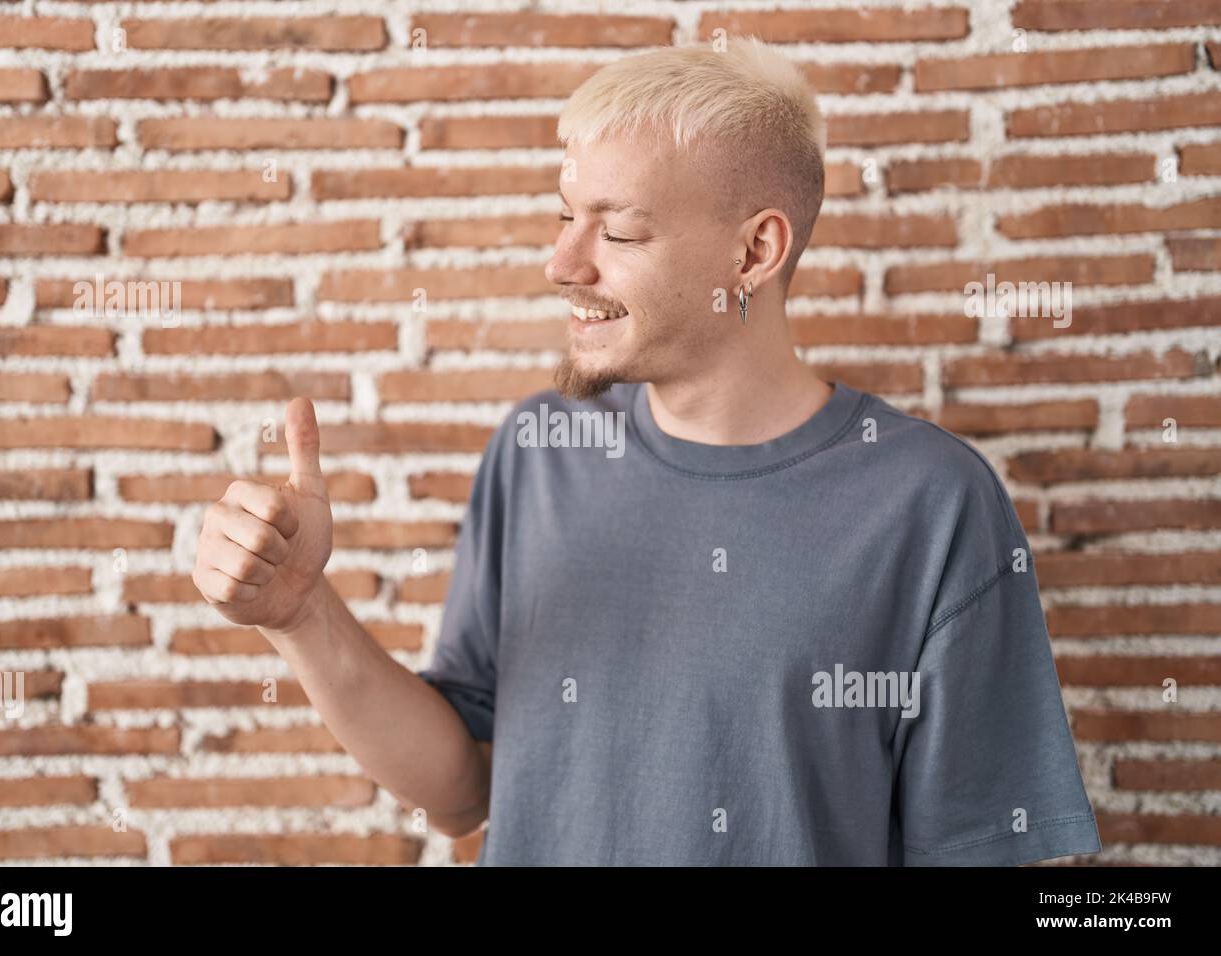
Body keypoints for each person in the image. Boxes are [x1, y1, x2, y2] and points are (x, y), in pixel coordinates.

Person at [192, 37, 1102, 866]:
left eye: (618, 230)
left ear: (755, 250)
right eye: (562, 216)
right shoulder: (539, 453)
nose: (561, 261)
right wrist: (302, 614)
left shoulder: (932, 503)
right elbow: (466, 787)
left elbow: (987, 853)